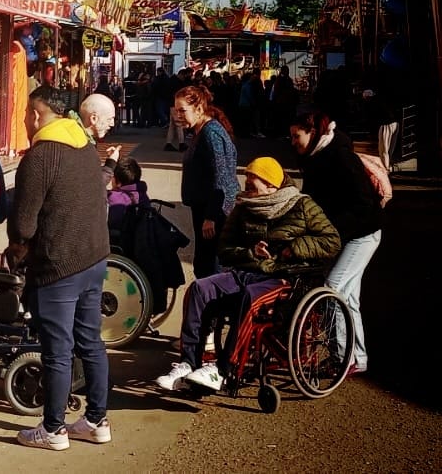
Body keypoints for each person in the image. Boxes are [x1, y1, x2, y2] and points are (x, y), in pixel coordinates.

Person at [154, 157, 340, 392]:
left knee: (250, 297)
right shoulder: (243, 207)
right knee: (199, 288)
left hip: (284, 277)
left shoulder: (302, 206)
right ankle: (188, 363)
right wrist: (251, 252)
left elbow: (331, 241)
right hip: (247, 270)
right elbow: (224, 250)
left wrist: (293, 248)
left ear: (271, 185)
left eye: (253, 184)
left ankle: (222, 370)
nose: (247, 188)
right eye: (247, 182)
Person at [8, 86, 111, 452]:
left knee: (58, 350)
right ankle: (97, 420)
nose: (23, 121)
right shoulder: (84, 144)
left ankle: (53, 429)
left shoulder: (40, 156)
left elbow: (23, 226)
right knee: (91, 342)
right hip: (95, 258)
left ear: (37, 115)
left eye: (24, 114)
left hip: (60, 265)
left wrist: (17, 251)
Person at [289, 111, 383, 374]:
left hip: (363, 234)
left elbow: (365, 205)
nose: (293, 142)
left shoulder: (340, 157)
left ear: (313, 133)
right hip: (346, 234)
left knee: (332, 288)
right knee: (349, 297)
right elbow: (310, 201)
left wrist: (330, 230)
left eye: (297, 136)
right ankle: (358, 358)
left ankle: (342, 357)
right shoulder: (314, 157)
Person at [175, 84, 239, 278]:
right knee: (204, 264)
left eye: (182, 111)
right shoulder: (201, 131)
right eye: (176, 110)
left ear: (199, 109)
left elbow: (223, 178)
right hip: (204, 210)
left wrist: (211, 217)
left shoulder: (211, 133)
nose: (178, 115)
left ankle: (214, 305)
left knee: (211, 267)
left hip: (214, 213)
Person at [77, 92, 121, 185]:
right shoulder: (80, 146)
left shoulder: (81, 138)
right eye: (109, 119)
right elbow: (94, 185)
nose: (112, 124)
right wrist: (111, 164)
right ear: (93, 118)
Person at [106, 157, 150, 233]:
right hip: (140, 240)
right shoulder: (143, 196)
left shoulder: (112, 197)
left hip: (118, 240)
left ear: (119, 183)